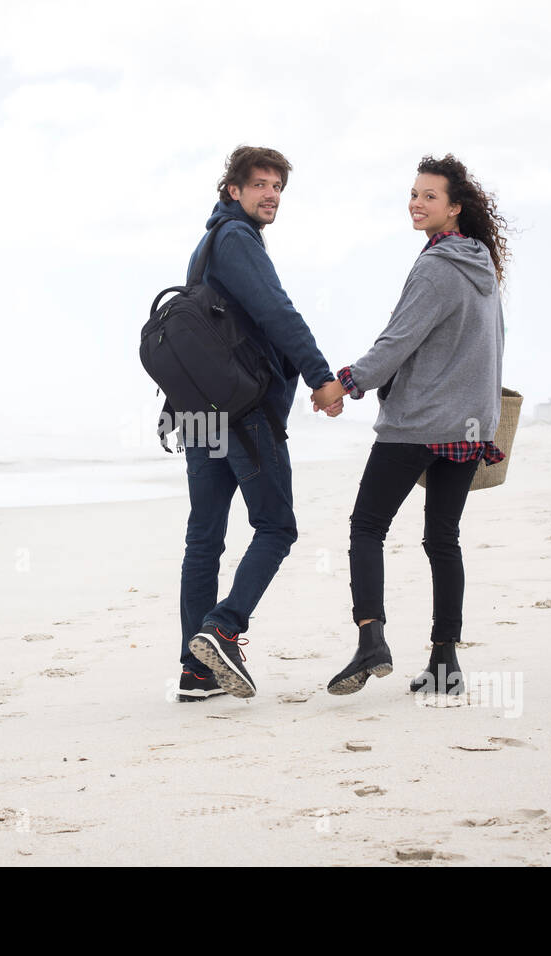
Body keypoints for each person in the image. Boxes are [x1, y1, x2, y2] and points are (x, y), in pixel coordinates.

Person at [320, 153, 509, 697]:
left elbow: (397, 342)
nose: (417, 203)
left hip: (419, 424)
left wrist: (345, 384)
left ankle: (371, 639)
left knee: (366, 528)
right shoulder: (483, 268)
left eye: (430, 196)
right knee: (442, 539)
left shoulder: (435, 267)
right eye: (414, 194)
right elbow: (492, 349)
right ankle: (444, 663)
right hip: (469, 428)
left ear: (455, 207)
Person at [177, 146, 346, 702]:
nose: (271, 195)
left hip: (196, 412)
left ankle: (196, 673)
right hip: (242, 413)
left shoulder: (206, 248)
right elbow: (279, 313)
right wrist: (320, 376)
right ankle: (223, 630)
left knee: (204, 539)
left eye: (277, 187)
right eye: (260, 185)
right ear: (234, 190)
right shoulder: (236, 241)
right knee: (276, 526)